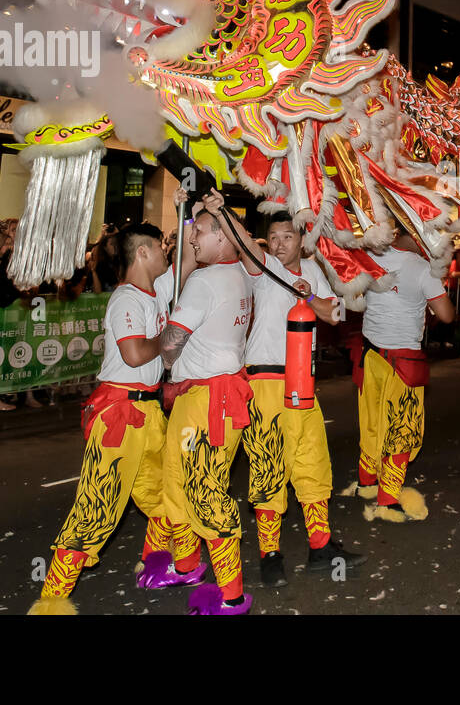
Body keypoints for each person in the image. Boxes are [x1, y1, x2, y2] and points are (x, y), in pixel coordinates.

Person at [29, 223, 204, 615]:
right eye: (160, 247)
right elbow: (135, 355)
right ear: (141, 253)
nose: (166, 252)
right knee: (96, 509)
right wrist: (176, 334)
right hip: (120, 416)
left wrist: (195, 212)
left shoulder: (155, 290)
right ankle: (51, 601)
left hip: (149, 411)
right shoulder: (126, 300)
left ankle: (156, 568)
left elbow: (189, 259)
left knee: (164, 498)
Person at [205, 193, 365, 585]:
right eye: (273, 237)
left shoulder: (313, 269)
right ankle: (269, 553)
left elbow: (336, 312)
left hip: (303, 385)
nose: (278, 244)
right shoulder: (264, 267)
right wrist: (218, 209)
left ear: (301, 238)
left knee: (312, 463)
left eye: (286, 237)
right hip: (264, 382)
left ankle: (320, 545)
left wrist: (307, 294)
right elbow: (242, 240)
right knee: (268, 467)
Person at [156, 202, 256, 614]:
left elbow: (168, 348)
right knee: (179, 482)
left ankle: (231, 595)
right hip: (209, 395)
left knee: (205, 491)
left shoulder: (205, 281)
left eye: (199, 230)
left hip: (206, 402)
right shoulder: (240, 278)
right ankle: (186, 565)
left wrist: (161, 338)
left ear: (223, 238)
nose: (191, 237)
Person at [352, 235, 455, 522]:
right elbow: (446, 315)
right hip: (403, 363)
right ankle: (387, 500)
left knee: (372, 423)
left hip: (371, 356)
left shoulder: (371, 256)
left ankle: (366, 483)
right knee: (402, 429)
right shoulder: (423, 269)